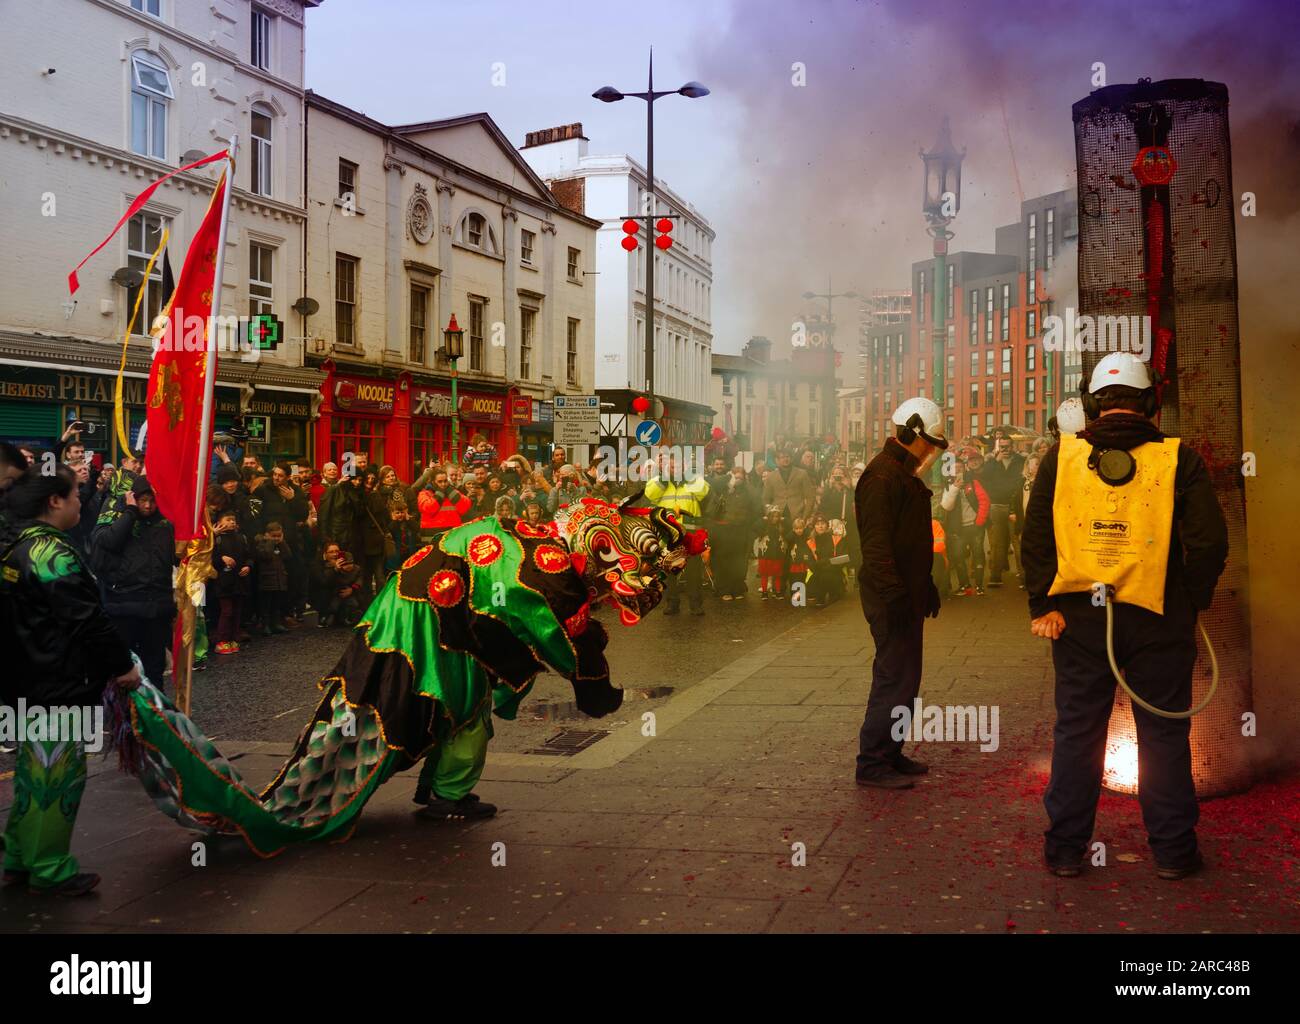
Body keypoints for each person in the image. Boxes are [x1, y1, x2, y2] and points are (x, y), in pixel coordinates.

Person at [1022, 353, 1228, 881]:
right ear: (1151, 403)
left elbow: (1037, 540)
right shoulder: (1180, 460)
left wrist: (1042, 606)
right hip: (1160, 620)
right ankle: (1174, 853)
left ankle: (1066, 850)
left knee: (1077, 733)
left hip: (1079, 620)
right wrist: (1192, 600)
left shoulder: (1060, 459)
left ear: (1093, 404)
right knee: (1162, 736)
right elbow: (1208, 544)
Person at [0, 465, 140, 896]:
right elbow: (88, 621)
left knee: (32, 771)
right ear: (54, 501)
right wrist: (122, 666)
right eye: (76, 494)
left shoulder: (17, 548)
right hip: (57, 684)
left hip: (24, 681)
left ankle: (20, 857)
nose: (81, 502)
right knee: (56, 776)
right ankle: (50, 868)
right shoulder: (51, 555)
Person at [854, 397, 946, 789]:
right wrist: (895, 597)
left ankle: (889, 753)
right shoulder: (882, 477)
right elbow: (877, 547)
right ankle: (872, 763)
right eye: (930, 443)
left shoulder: (899, 473)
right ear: (913, 434)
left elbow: (908, 542)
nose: (932, 451)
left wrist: (924, 586)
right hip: (892, 598)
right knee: (894, 678)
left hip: (905, 595)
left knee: (905, 679)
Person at [90, 476, 175, 689]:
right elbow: (108, 541)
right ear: (132, 498)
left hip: (157, 607)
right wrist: (130, 512)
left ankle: (154, 716)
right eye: (142, 500)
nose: (147, 505)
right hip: (123, 605)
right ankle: (122, 716)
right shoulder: (116, 509)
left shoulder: (165, 521)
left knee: (154, 670)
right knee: (123, 672)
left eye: (152, 501)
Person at [645, 453, 710, 616]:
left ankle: (696, 605)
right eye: (672, 466)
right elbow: (650, 494)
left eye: (679, 466)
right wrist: (663, 479)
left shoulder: (693, 480)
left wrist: (689, 476)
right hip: (667, 534)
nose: (675, 469)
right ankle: (672, 603)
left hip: (690, 534)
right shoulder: (658, 481)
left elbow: (704, 491)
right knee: (669, 572)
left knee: (693, 573)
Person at [977, 431, 1025, 588]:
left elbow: (1023, 479)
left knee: (1017, 541)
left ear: (1013, 446)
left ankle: (1023, 577)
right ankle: (995, 576)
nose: (1005, 450)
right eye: (1002, 447)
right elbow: (984, 479)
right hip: (997, 506)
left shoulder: (1020, 461)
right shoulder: (992, 463)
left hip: (1014, 507)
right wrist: (996, 462)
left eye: (1007, 446)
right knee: (997, 543)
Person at [940, 452, 990, 596]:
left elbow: (984, 501)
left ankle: (979, 586)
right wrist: (955, 488)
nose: (958, 472)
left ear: (965, 469)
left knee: (978, 555)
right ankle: (964, 586)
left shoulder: (973, 482)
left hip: (975, 527)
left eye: (960, 469)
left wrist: (979, 521)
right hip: (957, 529)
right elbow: (946, 506)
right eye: (955, 470)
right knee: (958, 557)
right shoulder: (948, 485)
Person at [709, 464, 755, 600]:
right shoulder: (723, 489)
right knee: (723, 561)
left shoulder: (748, 491)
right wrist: (728, 478)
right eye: (736, 477)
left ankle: (737, 588)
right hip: (723, 530)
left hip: (741, 530)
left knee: (739, 561)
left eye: (741, 477)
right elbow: (713, 483)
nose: (738, 480)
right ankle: (724, 589)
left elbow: (754, 506)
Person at [212, 509, 253, 655]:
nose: (232, 522)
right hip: (223, 581)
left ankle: (233, 638)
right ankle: (222, 640)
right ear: (219, 522)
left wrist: (248, 566)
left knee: (237, 611)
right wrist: (221, 559)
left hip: (239, 581)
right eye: (228, 519)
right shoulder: (215, 539)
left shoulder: (241, 537)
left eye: (233, 519)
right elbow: (209, 557)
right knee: (227, 611)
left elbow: (249, 556)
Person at [254, 521, 292, 635]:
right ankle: (265, 625)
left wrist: (282, 542)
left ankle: (275, 623)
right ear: (266, 534)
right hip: (267, 579)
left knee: (276, 603)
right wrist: (269, 542)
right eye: (273, 536)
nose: (276, 538)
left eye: (278, 536)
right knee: (266, 604)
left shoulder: (280, 544)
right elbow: (266, 555)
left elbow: (288, 556)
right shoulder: (261, 543)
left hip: (279, 579)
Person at [763, 449, 815, 525]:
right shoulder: (771, 476)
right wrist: (769, 514)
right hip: (777, 516)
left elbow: (810, 497)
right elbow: (765, 498)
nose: (785, 459)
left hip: (797, 515)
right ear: (777, 460)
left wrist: (805, 517)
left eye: (787, 456)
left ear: (791, 458)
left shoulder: (802, 474)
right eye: (782, 457)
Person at [806, 513, 846, 608]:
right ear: (814, 526)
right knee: (811, 590)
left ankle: (835, 591)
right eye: (817, 524)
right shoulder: (810, 541)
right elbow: (809, 561)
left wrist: (826, 564)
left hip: (834, 571)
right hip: (817, 571)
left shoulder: (835, 539)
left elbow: (842, 558)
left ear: (827, 525)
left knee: (828, 580)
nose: (820, 526)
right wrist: (817, 567)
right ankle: (820, 594)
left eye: (823, 523)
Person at [417, 468, 471, 534]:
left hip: (452, 532)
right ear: (433, 482)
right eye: (440, 481)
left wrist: (451, 492)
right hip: (431, 533)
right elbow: (428, 509)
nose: (443, 484)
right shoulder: (424, 494)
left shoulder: (452, 492)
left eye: (445, 481)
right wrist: (440, 494)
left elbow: (465, 507)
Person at [753, 505, 789, 600]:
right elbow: (755, 526)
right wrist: (763, 518)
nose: (775, 518)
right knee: (764, 575)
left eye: (777, 516)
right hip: (765, 555)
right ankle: (764, 592)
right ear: (768, 516)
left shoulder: (781, 527)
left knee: (777, 575)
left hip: (777, 555)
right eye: (772, 516)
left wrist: (783, 518)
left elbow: (789, 524)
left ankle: (777, 591)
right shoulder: (764, 527)